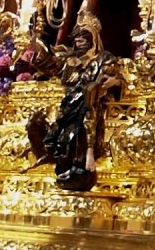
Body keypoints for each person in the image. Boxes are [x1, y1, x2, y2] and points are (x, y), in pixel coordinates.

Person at [27, 13, 122, 192]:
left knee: (82, 133)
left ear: (94, 39)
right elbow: (52, 66)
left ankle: (83, 169)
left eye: (84, 37)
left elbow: (117, 78)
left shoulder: (103, 59)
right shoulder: (70, 61)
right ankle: (65, 168)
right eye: (77, 38)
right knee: (64, 137)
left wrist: (114, 82)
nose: (79, 41)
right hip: (69, 105)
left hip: (89, 105)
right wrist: (37, 47)